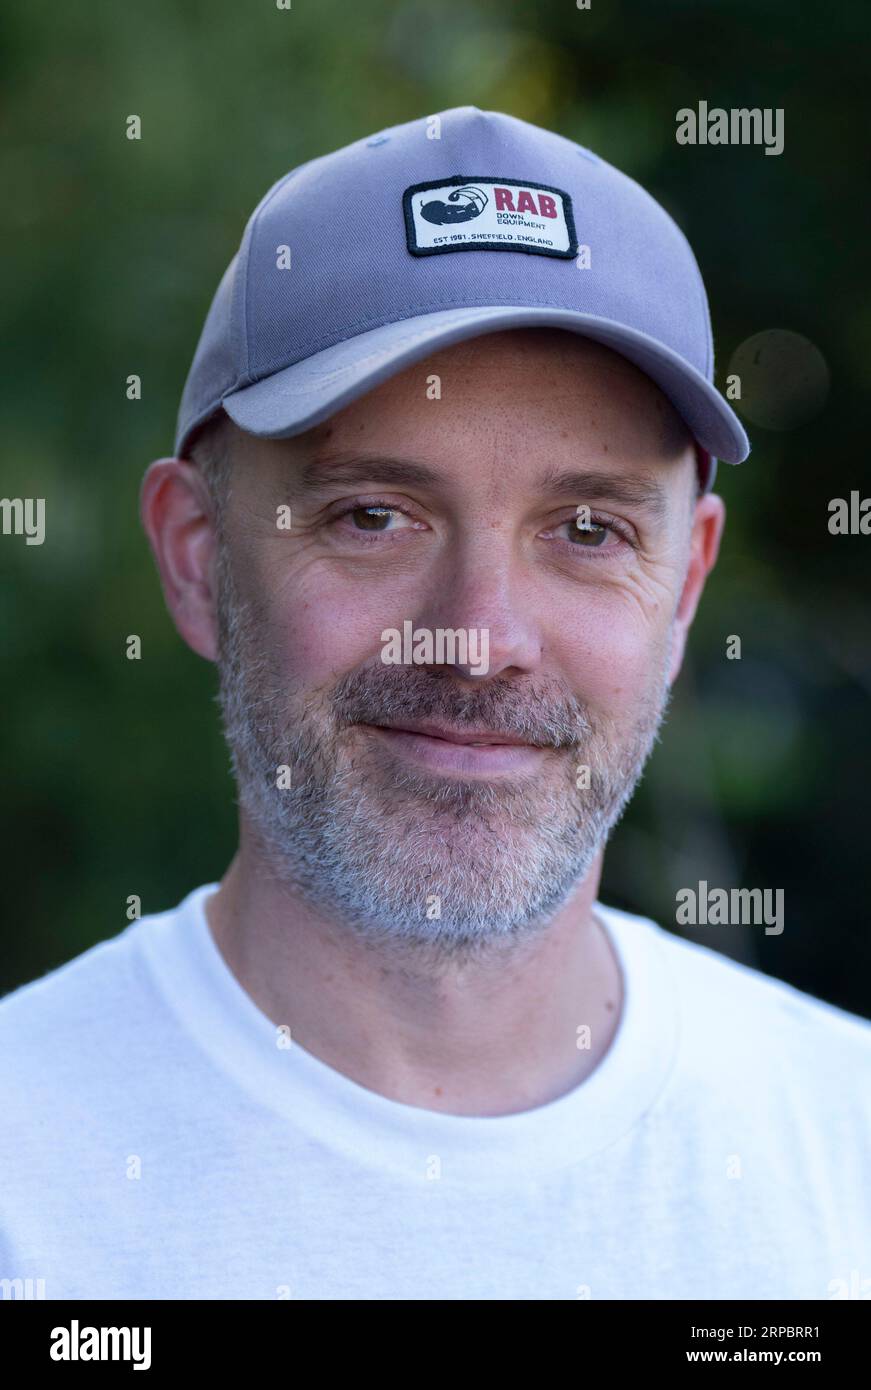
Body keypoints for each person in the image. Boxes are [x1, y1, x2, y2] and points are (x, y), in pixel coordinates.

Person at [1, 107, 869, 1303]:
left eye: (586, 530)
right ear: (199, 556)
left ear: (682, 591)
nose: (482, 639)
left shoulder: (844, 1155)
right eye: (372, 515)